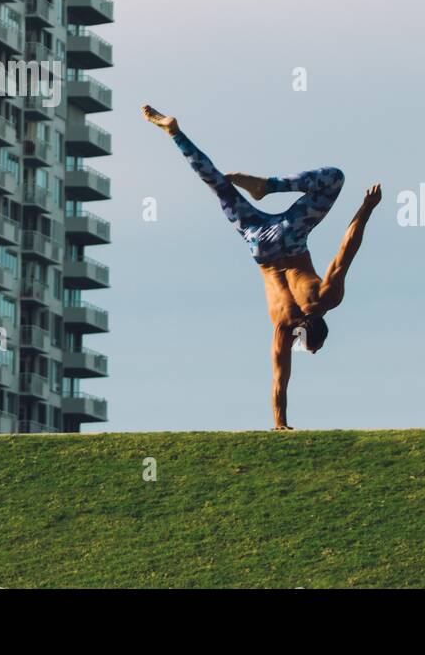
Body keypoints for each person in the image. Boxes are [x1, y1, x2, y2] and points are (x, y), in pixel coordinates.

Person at [143, 105, 382, 429]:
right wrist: (279, 423)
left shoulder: (326, 298)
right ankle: (175, 133)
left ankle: (267, 185)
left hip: (291, 234)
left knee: (334, 179)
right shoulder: (284, 326)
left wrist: (366, 208)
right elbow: (279, 380)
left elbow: (346, 249)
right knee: (218, 185)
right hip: (261, 245)